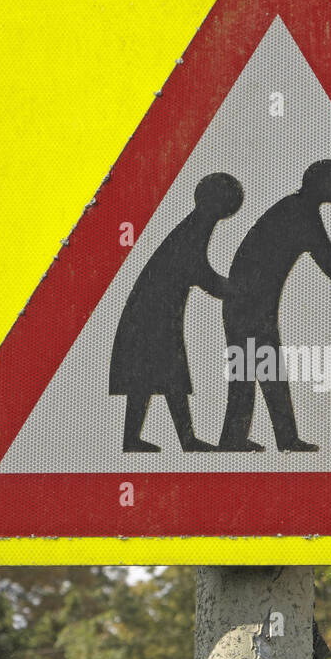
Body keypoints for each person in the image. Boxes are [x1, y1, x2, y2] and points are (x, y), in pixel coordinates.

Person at [219, 159, 331, 452]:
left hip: (249, 303)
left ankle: (246, 438)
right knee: (257, 371)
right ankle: (264, 439)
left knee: (256, 371)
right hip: (251, 304)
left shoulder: (294, 208)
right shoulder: (301, 215)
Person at [110, 172, 243, 451]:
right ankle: (175, 440)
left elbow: (194, 268)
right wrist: (232, 290)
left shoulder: (195, 224)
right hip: (153, 314)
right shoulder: (196, 227)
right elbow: (195, 268)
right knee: (159, 375)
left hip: (155, 311)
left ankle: (175, 439)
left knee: (159, 376)